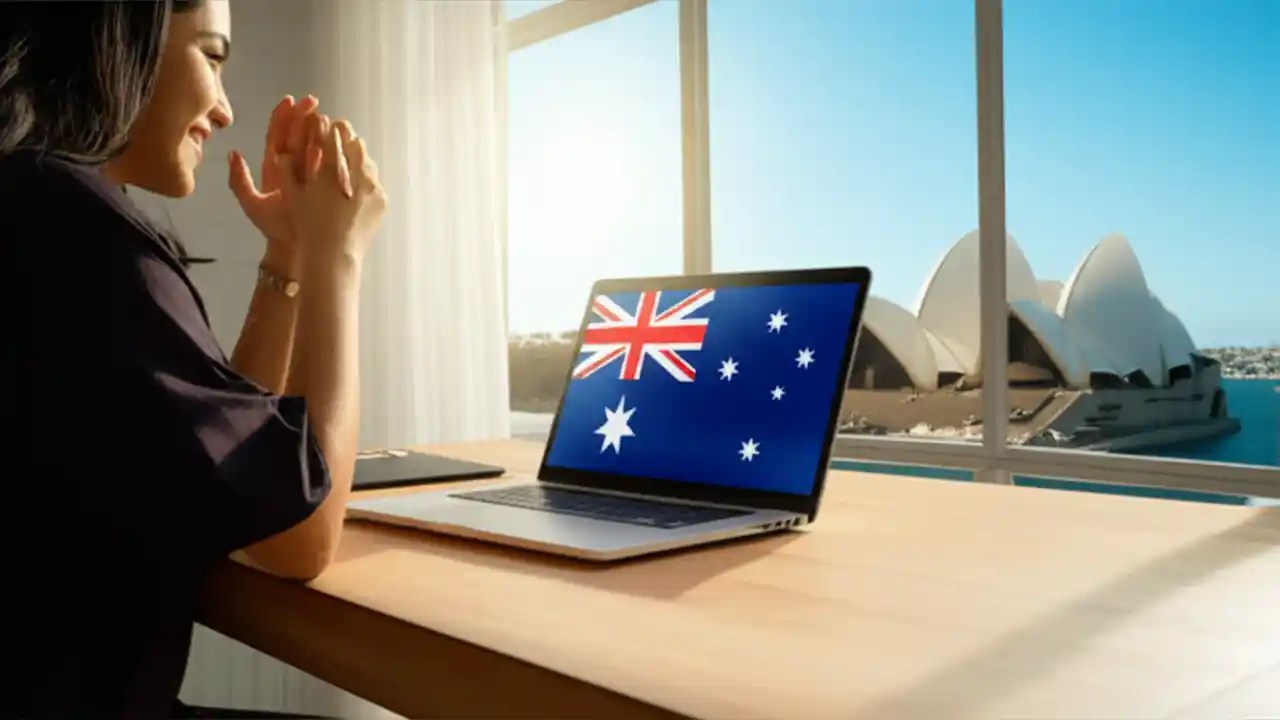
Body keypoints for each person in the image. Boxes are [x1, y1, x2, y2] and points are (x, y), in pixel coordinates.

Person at [3, 0, 388, 717]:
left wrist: (289, 257)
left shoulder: (31, 202)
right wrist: (339, 256)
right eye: (211, 55)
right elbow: (295, 540)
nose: (223, 108)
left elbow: (230, 465)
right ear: (123, 35)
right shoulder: (80, 236)